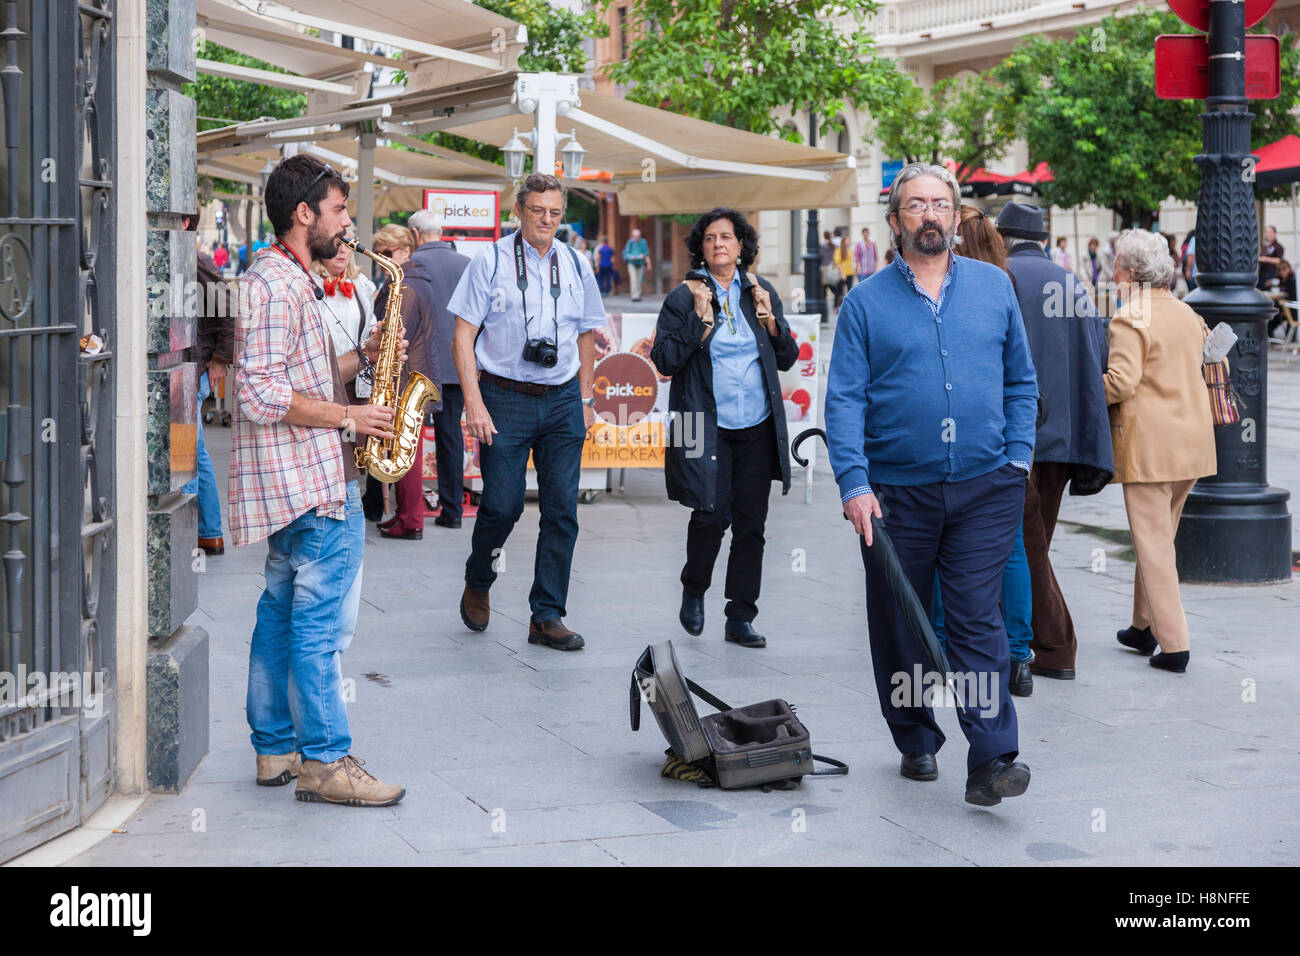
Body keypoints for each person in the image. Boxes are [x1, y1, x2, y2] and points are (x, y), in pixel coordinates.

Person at [825, 161, 1038, 805]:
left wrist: (1018, 459)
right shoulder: (864, 303)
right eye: (915, 205)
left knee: (976, 618)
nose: (930, 215)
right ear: (895, 221)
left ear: (956, 216)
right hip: (895, 494)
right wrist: (854, 484)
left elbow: (1021, 380)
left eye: (940, 204)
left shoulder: (995, 287)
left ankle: (993, 755)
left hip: (986, 484)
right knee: (902, 621)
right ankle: (916, 736)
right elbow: (844, 400)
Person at [230, 154, 405, 806]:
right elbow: (259, 392)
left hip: (293, 482)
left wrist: (366, 354)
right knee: (317, 628)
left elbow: (301, 375)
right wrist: (350, 416)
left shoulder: (280, 277)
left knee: (280, 616)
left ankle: (275, 748)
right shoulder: (279, 285)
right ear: (304, 213)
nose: (346, 224)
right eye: (337, 210)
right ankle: (326, 761)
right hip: (312, 482)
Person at [447, 172, 605, 651]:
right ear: (518, 211)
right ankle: (479, 577)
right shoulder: (490, 260)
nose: (546, 219)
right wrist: (473, 401)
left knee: (562, 511)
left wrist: (586, 399)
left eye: (555, 212)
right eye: (537, 210)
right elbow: (462, 336)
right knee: (502, 505)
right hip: (503, 397)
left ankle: (547, 615)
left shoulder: (576, 263)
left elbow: (586, 334)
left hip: (562, 400)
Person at [650, 207, 798, 649]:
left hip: (756, 425)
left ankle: (740, 616)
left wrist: (771, 320)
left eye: (727, 237)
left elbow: (787, 357)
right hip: (702, 422)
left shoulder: (759, 291)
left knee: (751, 523)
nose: (719, 244)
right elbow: (664, 360)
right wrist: (697, 319)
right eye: (711, 238)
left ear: (741, 245)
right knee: (710, 514)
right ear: (702, 247)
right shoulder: (683, 297)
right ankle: (694, 589)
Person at [996, 201, 1114, 683]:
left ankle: (1054, 646)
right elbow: (1098, 354)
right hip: (1063, 435)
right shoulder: (1071, 282)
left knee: (1026, 546)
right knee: (1035, 540)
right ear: (1042, 238)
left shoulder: (1002, 277)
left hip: (1017, 434)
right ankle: (1035, 643)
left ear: (1003, 236)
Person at [927, 205, 1036, 697]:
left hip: (977, 444)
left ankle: (941, 647)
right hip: (1001, 441)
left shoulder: (974, 289)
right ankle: (1018, 655)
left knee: (943, 548)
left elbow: (1015, 375)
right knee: (1012, 549)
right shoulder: (1003, 283)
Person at [1104, 229, 1217, 674]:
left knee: (1153, 545)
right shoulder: (1188, 313)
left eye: (1117, 267)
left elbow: (1120, 382)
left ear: (1131, 273)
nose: (1113, 275)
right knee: (1158, 537)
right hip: (1191, 445)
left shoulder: (1130, 317)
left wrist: (1082, 392)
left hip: (1150, 448)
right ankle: (1142, 626)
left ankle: (1174, 645)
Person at [364, 222, 443, 541]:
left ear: (405, 251)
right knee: (405, 448)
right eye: (378, 253)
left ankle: (411, 520)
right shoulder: (413, 280)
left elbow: (398, 333)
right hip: (411, 375)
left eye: (386, 252)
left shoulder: (406, 286)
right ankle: (405, 515)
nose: (381, 259)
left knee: (404, 452)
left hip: (406, 378)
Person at [408, 209, 472, 529]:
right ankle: (452, 509)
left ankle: (409, 509)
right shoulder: (466, 264)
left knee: (411, 435)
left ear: (415, 234)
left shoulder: (412, 265)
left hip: (419, 366)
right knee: (451, 436)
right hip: (457, 363)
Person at [311, 239, 383, 521]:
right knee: (327, 454)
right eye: (337, 244)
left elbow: (369, 325)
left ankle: (345, 510)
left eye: (348, 246)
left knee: (350, 454)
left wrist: (378, 334)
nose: (343, 251)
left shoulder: (362, 284)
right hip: (323, 387)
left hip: (355, 386)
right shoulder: (308, 283)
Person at [182, 211, 235, 557]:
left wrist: (219, 360)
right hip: (191, 367)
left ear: (184, 222)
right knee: (192, 451)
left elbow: (228, 312)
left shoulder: (197, 261)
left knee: (186, 452)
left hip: (193, 368)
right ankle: (207, 533)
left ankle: (192, 533)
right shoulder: (189, 258)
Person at [622, 228, 651, 302]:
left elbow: (646, 253)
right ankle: (634, 296)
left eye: (638, 236)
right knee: (634, 279)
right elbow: (626, 253)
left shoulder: (643, 242)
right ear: (633, 236)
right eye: (635, 236)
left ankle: (638, 295)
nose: (637, 238)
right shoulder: (630, 242)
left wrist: (649, 264)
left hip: (641, 263)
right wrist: (630, 256)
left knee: (639, 280)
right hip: (632, 263)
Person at [1259, 225, 1284, 290]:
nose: (1268, 234)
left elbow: (1279, 260)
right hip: (1262, 274)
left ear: (1274, 233)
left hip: (1272, 274)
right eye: (1266, 232)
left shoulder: (1278, 246)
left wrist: (1266, 259)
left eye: (1270, 232)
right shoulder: (1264, 245)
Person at [833, 231, 854, 307]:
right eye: (847, 240)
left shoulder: (850, 250)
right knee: (838, 291)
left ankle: (849, 306)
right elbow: (837, 262)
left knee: (850, 291)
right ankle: (835, 306)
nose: (849, 241)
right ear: (844, 241)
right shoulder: (838, 250)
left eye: (849, 240)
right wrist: (842, 273)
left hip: (850, 273)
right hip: (841, 274)